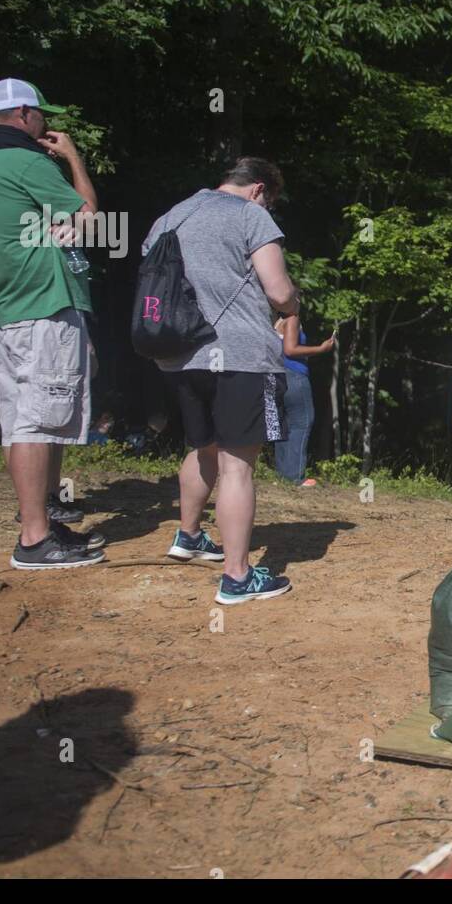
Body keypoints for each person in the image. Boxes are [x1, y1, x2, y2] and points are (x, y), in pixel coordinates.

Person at [0, 78, 106, 569]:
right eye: (40, 114)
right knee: (38, 423)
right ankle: (35, 539)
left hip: (9, 309)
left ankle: (40, 519)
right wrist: (72, 158)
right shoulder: (25, 162)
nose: (46, 122)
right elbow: (90, 217)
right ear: (23, 115)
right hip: (43, 307)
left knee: (23, 421)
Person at [140, 157, 299, 605]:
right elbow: (278, 290)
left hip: (180, 356)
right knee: (237, 465)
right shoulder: (251, 215)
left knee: (202, 446)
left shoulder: (172, 215)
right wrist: (291, 307)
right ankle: (237, 576)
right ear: (259, 190)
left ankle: (189, 535)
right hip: (240, 355)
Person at [273, 314, 335, 485]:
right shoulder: (293, 319)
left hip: (277, 374)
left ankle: (282, 475)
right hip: (294, 374)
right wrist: (321, 349)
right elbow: (290, 349)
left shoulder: (278, 320)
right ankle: (294, 477)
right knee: (303, 422)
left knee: (283, 424)